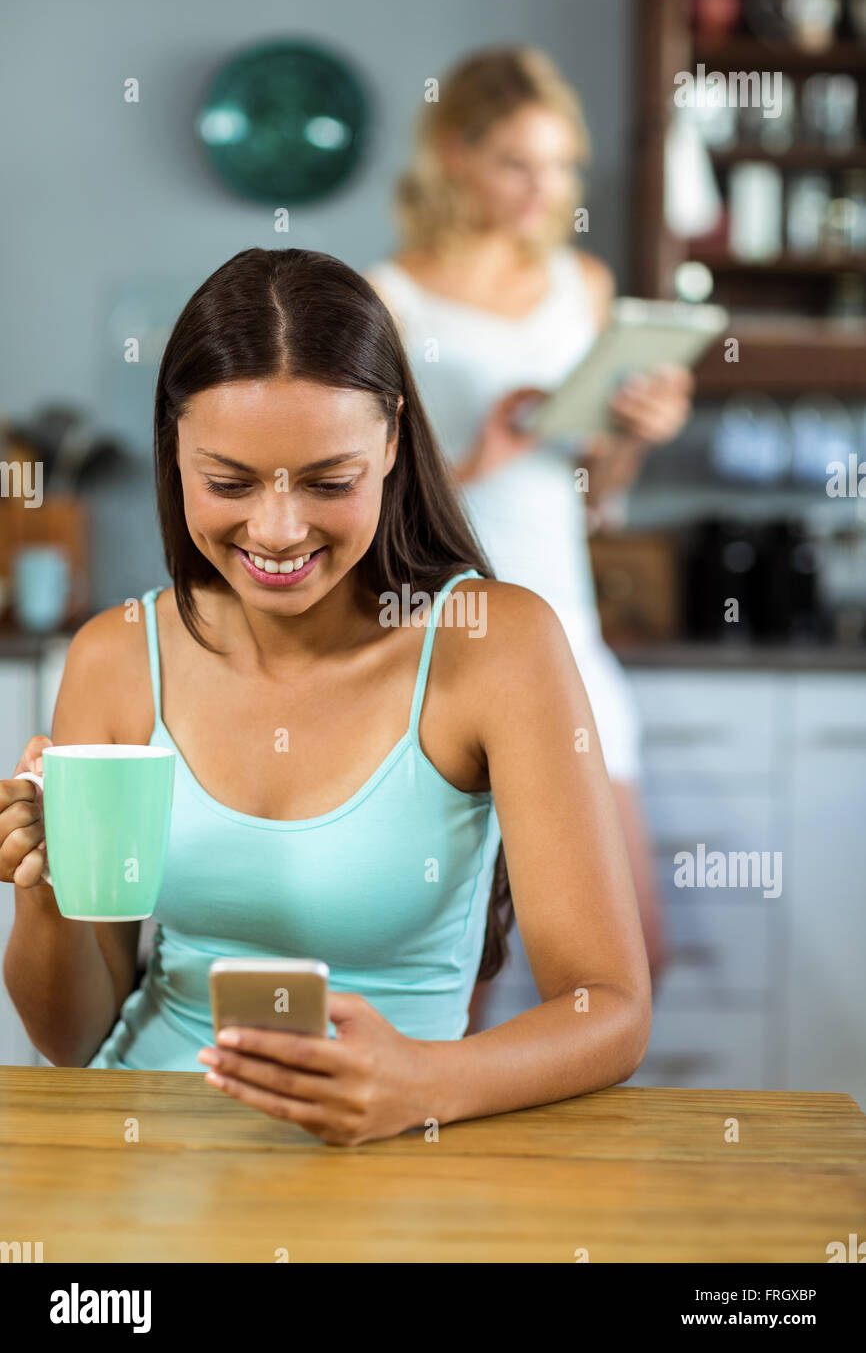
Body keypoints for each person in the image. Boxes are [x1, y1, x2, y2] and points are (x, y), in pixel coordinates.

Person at [1, 247, 650, 1146]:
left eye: (328, 481)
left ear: (390, 442)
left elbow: (609, 1009)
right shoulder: (117, 656)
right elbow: (70, 1040)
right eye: (227, 482)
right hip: (141, 1144)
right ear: (174, 450)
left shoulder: (493, 647)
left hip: (394, 1155)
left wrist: (424, 1082)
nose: (276, 529)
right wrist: (43, 890)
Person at [365, 47, 695, 995]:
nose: (541, 187)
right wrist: (476, 465)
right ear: (455, 155)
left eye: (558, 165)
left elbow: (597, 491)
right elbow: (357, 496)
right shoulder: (390, 295)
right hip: (442, 635)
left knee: (631, 954)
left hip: (567, 629)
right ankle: (437, 1132)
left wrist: (633, 434)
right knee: (454, 965)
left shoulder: (582, 285)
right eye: (517, 161)